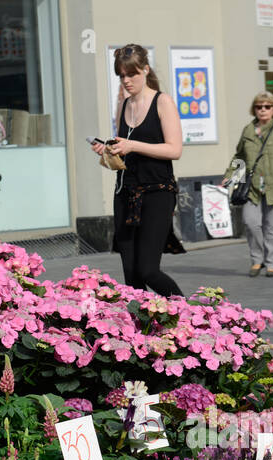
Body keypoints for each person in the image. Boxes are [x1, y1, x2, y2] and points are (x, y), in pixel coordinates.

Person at [90, 44, 185, 297]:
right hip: (125, 193)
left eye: (131, 74)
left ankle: (188, 317)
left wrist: (132, 145)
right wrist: (109, 149)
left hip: (157, 193)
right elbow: (125, 148)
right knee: (131, 276)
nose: (126, 80)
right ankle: (142, 333)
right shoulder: (123, 104)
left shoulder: (162, 101)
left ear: (145, 70)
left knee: (148, 270)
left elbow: (174, 150)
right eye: (121, 75)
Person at [225, 91, 273, 278]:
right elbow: (240, 156)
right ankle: (257, 259)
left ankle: (272, 263)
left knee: (272, 226)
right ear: (254, 109)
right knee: (250, 222)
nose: (262, 110)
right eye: (259, 107)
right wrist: (230, 176)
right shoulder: (248, 130)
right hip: (251, 187)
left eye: (267, 107)